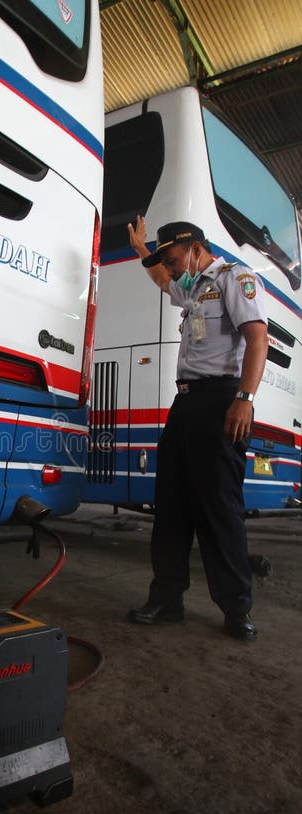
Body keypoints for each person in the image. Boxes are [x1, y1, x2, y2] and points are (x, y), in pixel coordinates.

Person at [127, 217, 268, 640]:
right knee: (169, 505)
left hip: (221, 401)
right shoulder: (191, 285)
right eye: (168, 265)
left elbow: (257, 338)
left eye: (172, 260)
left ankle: (236, 608)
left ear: (193, 247)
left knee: (219, 509)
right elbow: (160, 280)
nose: (170, 271)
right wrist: (141, 249)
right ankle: (167, 600)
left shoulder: (233, 277)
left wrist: (244, 399)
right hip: (185, 403)